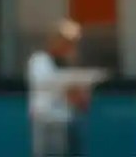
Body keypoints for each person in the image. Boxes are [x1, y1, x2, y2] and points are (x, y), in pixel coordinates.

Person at [27, 19, 91, 157]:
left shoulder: (67, 64)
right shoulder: (39, 61)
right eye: (66, 41)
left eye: (72, 42)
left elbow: (82, 101)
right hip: (48, 123)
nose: (69, 46)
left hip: (68, 123)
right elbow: (64, 90)